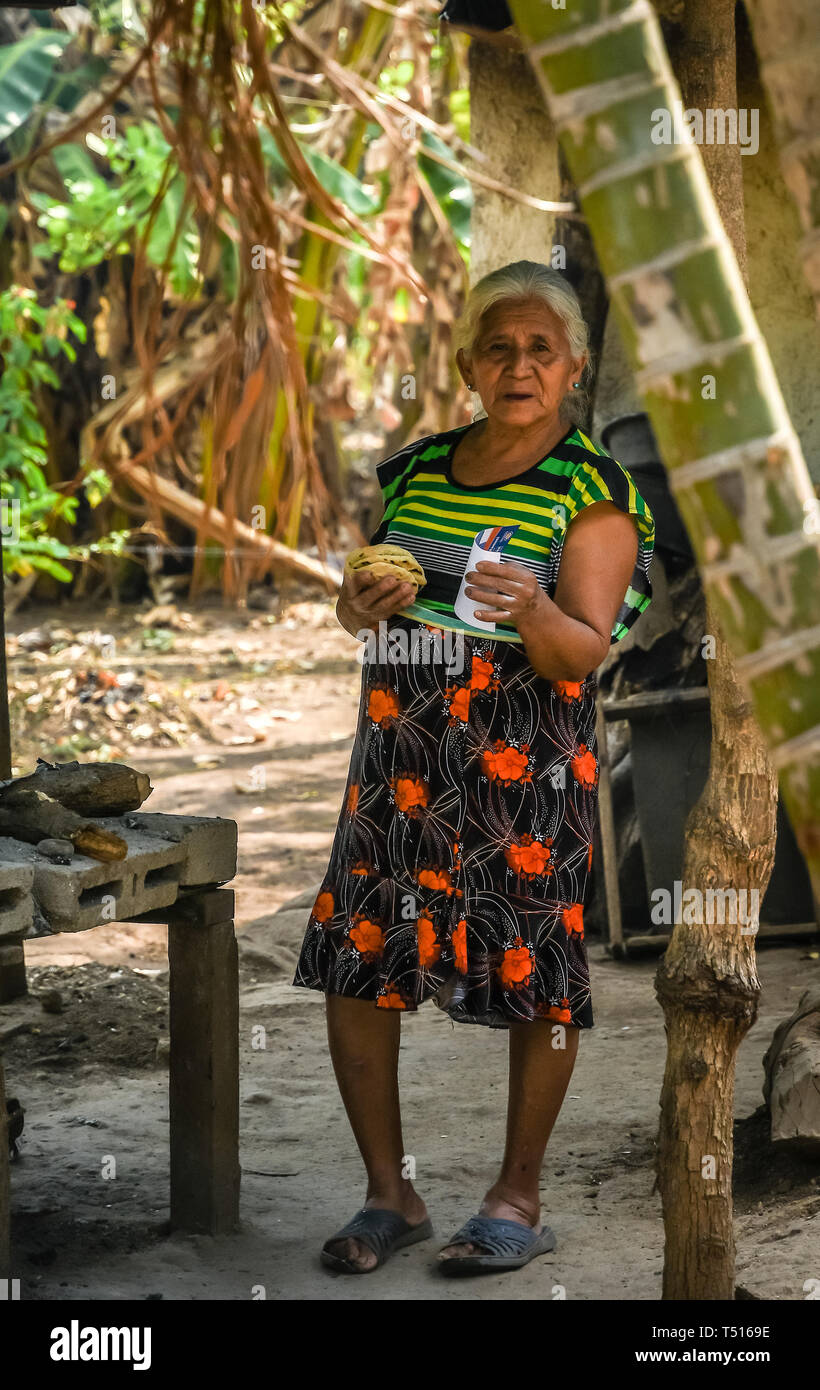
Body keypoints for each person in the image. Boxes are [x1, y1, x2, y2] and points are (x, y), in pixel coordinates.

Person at [293, 260, 655, 1276]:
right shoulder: (415, 469)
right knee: (361, 955)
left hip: (522, 758)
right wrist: (353, 606)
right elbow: (371, 591)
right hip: (399, 744)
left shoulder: (592, 486)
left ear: (574, 365)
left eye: (541, 348)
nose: (519, 364)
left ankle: (515, 1196)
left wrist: (531, 609)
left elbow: (584, 651)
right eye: (498, 346)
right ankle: (388, 1192)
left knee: (532, 967)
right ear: (465, 363)